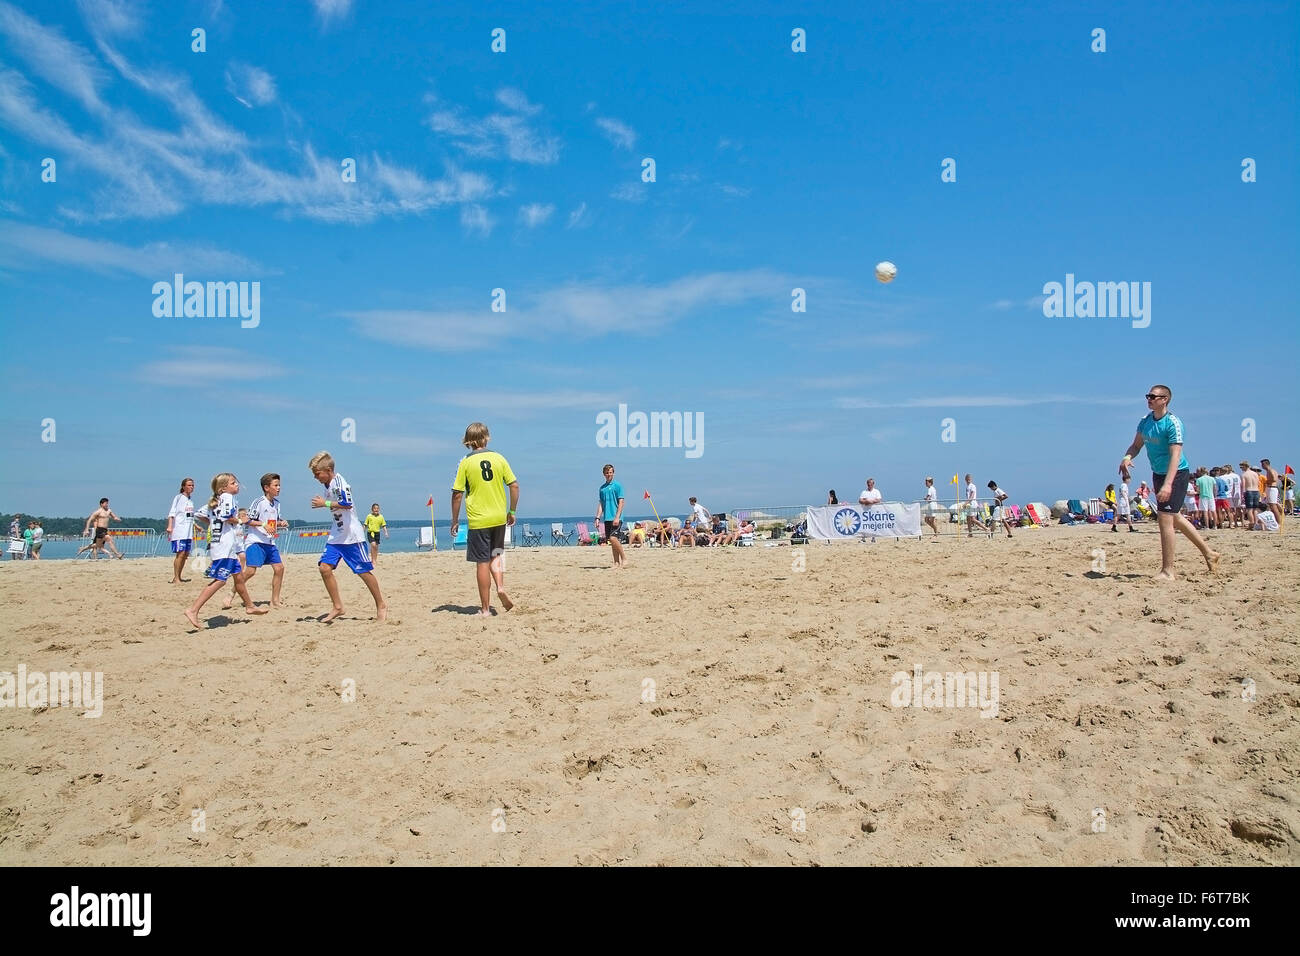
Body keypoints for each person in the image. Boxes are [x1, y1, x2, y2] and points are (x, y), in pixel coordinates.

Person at [1118, 385, 1219, 580]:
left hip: (1177, 473)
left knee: (1165, 518)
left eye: (1153, 396)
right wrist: (1127, 457)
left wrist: (1168, 484)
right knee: (1175, 517)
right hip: (1158, 472)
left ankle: (1168, 571)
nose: (1149, 399)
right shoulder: (1145, 422)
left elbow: (1175, 455)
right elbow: (1137, 445)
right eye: (1148, 396)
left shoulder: (1173, 423)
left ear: (1164, 399)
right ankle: (1209, 553)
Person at [310, 451, 388, 623]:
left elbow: (347, 504)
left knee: (363, 572)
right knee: (324, 568)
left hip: (352, 536)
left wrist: (325, 504)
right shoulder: (327, 484)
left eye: (317, 474)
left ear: (328, 470)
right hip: (336, 536)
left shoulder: (340, 483)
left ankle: (381, 604)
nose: (316, 478)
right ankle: (338, 607)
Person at [449, 423, 517, 617]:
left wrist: (455, 520)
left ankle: (485, 609)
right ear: (486, 438)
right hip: (498, 517)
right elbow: (514, 486)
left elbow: (457, 494)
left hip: (479, 520)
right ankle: (501, 587)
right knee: (496, 555)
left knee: (482, 563)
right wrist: (512, 510)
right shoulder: (499, 458)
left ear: (468, 442)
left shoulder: (465, 462)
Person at [183, 474, 268, 628]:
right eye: (233, 483)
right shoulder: (227, 497)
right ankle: (193, 609)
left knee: (239, 577)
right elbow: (227, 516)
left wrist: (213, 524)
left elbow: (199, 514)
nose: (237, 485)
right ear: (223, 488)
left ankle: (249, 606)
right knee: (220, 581)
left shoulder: (216, 501)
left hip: (224, 546)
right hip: (224, 546)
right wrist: (240, 520)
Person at [243, 473, 286, 608]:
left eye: (279, 485)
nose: (279, 488)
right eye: (276, 485)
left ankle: (275, 601)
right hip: (255, 541)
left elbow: (273, 522)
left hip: (269, 542)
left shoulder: (277, 504)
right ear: (267, 487)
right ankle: (233, 591)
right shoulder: (259, 502)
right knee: (251, 571)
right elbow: (247, 520)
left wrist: (281, 523)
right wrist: (263, 524)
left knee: (279, 569)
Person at [166, 478, 197, 583]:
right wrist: (170, 526)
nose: (191, 487)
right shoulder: (179, 498)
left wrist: (195, 525)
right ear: (183, 486)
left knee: (185, 554)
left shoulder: (190, 501)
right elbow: (172, 513)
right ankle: (176, 577)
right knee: (180, 553)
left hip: (188, 532)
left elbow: (189, 516)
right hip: (179, 530)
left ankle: (179, 576)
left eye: (192, 485)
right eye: (189, 485)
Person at [596, 464, 627, 568]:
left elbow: (621, 502)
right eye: (607, 473)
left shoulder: (617, 485)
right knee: (611, 541)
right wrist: (597, 518)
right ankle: (616, 563)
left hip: (616, 517)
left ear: (613, 473)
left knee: (613, 538)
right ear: (604, 474)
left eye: (610, 472)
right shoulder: (602, 488)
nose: (609, 474)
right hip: (607, 518)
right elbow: (601, 504)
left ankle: (624, 559)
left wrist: (617, 517)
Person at [1194, 468, 1217, 532]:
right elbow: (1215, 488)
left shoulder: (1199, 479)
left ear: (1201, 472)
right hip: (1211, 496)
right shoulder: (1212, 478)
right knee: (1213, 511)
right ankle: (1215, 526)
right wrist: (1215, 495)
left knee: (1205, 511)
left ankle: (1207, 526)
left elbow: (1198, 490)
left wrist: (1195, 492)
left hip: (1203, 496)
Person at [1260, 460, 1283, 524]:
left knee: (1273, 506)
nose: (1261, 466)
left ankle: (1279, 522)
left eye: (1262, 464)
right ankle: (1276, 521)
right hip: (1271, 488)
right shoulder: (1270, 470)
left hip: (1272, 488)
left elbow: (1274, 479)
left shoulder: (1270, 470)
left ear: (1265, 464)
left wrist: (1267, 481)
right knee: (1271, 506)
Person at [1239, 461, 1259, 529]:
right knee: (1255, 509)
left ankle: (1252, 524)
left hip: (1249, 491)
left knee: (1249, 509)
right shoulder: (1255, 474)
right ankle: (1256, 523)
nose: (1241, 468)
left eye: (1242, 467)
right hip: (1256, 491)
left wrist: (1242, 495)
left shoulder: (1244, 474)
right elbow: (1258, 483)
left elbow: (1243, 486)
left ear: (1245, 466)